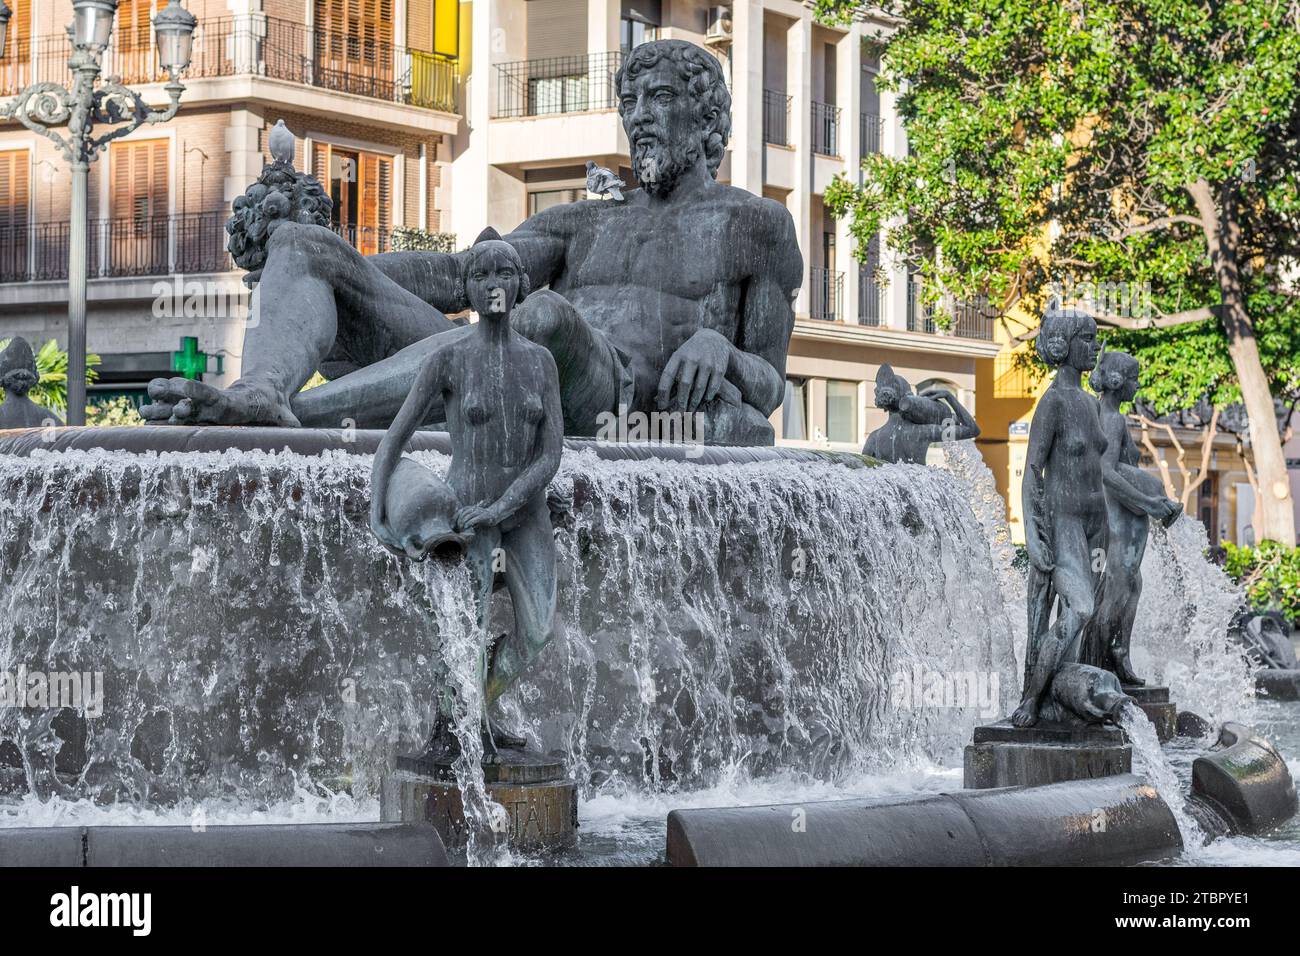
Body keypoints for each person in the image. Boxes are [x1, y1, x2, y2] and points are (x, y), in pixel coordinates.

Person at [143, 40, 802, 448]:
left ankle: (298, 413)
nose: (639, 118)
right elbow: (464, 276)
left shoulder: (754, 226)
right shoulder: (582, 222)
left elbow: (768, 388)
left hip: (615, 402)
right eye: (631, 102)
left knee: (538, 318)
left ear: (709, 116)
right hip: (498, 372)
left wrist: (724, 351)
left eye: (658, 99)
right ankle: (262, 390)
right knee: (303, 242)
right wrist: (330, 278)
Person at [369, 238, 563, 753]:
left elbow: (549, 456)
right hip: (464, 513)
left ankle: (471, 710)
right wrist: (378, 514)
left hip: (523, 511)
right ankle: (462, 728)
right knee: (467, 632)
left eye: (504, 272)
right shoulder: (447, 359)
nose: (494, 283)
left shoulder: (542, 363)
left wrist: (505, 505)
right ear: (469, 289)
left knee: (538, 632)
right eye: (481, 274)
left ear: (520, 286)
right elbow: (395, 437)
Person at [1013, 309, 1108, 727]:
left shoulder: (1091, 403)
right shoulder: (1051, 403)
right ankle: (1030, 700)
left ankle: (1058, 698)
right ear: (1063, 346)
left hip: (1096, 522)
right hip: (1063, 518)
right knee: (1081, 609)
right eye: (1087, 339)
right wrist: (1033, 534)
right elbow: (1031, 470)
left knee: (1085, 624)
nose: (1094, 347)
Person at [1082, 348, 1181, 685]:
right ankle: (1106, 660)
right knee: (1118, 586)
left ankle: (1113, 655)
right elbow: (1105, 472)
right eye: (1134, 379)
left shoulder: (1103, 413)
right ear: (1116, 380)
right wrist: (1150, 503)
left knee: (1128, 585)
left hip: (1117, 513)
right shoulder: (1111, 418)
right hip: (1114, 514)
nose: (1137, 386)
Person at [862, 363, 979, 463]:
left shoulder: (874, 438)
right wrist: (949, 397)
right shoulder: (923, 432)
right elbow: (972, 430)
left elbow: (862, 470)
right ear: (910, 400)